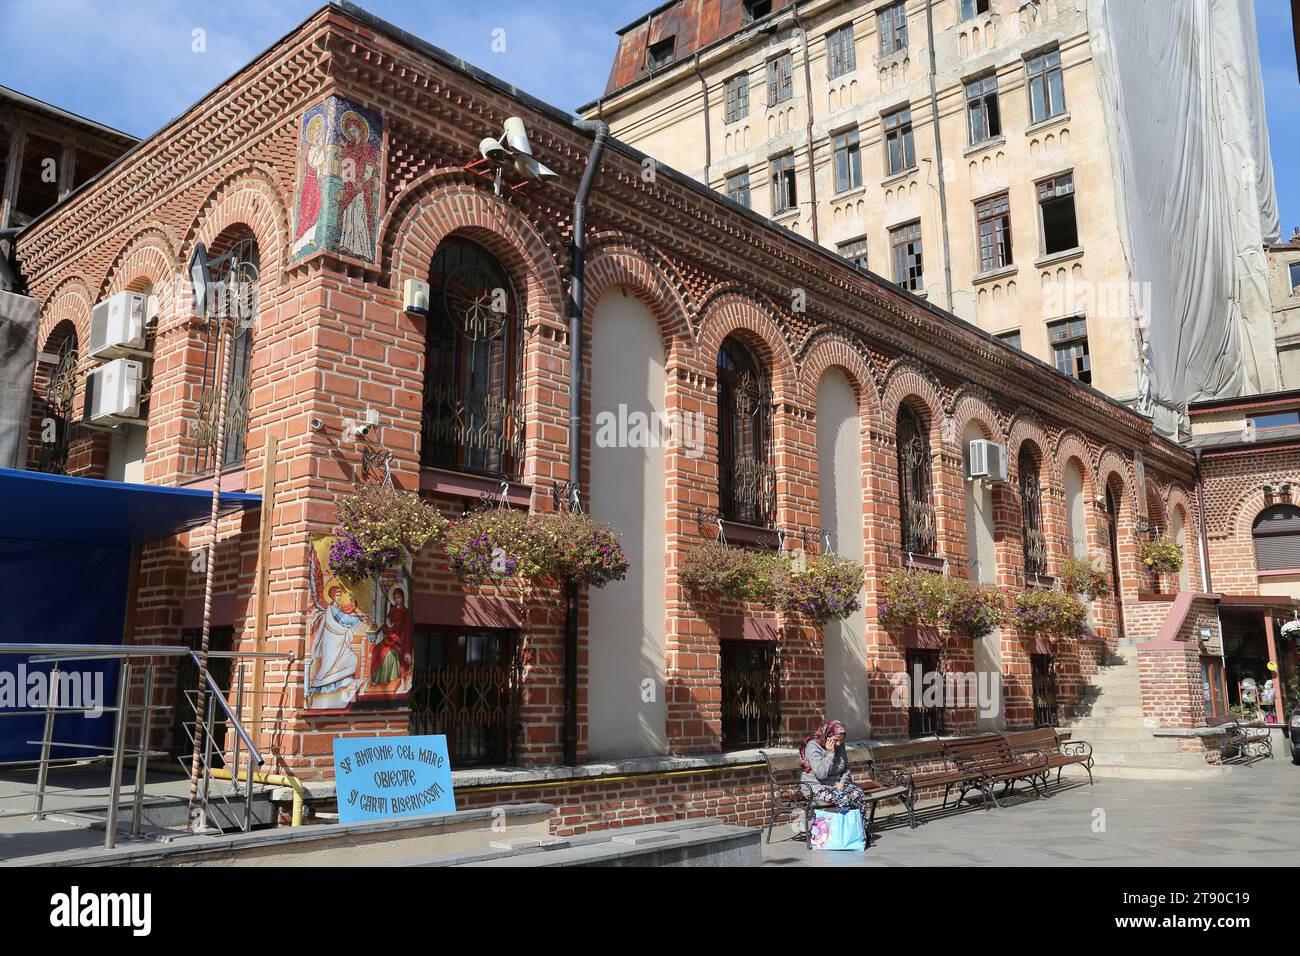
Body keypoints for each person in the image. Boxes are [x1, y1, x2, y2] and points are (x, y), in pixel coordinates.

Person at [799, 719, 869, 811]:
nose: (838, 743)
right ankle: (839, 824)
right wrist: (830, 754)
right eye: (835, 740)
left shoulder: (839, 745)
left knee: (858, 794)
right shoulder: (813, 746)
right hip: (816, 787)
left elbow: (846, 767)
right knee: (843, 798)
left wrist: (842, 783)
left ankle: (857, 824)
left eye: (841, 740)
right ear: (826, 735)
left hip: (836, 785)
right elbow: (821, 774)